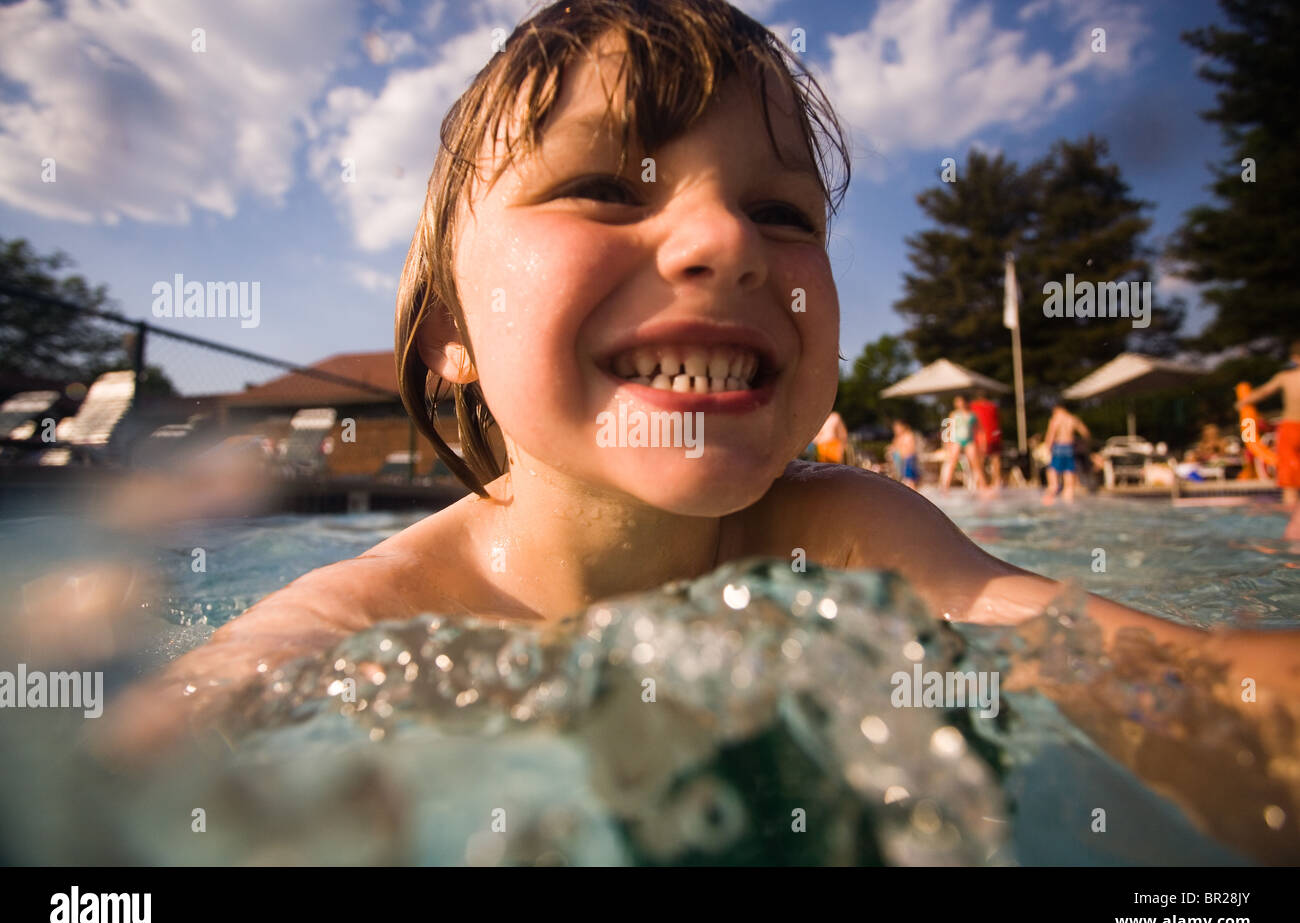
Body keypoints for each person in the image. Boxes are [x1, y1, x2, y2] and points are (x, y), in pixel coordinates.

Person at [95, 2, 1300, 837]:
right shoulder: (369, 612)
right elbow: (125, 790)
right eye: (607, 188)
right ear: (446, 338)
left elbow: (1149, 678)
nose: (726, 242)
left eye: (783, 213)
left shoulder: (851, 533)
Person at [1236, 339, 1300, 520]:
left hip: (1291, 427)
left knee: (1289, 482)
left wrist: (1242, 402)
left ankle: (1292, 522)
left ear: (1295, 358)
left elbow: (1263, 392)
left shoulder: (1286, 377)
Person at [1041, 401, 1090, 504]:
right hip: (1070, 448)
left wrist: (1047, 448)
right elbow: (1086, 433)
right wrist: (1081, 444)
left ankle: (1048, 502)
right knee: (1069, 479)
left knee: (1052, 476)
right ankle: (1068, 501)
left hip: (1058, 447)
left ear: (1057, 409)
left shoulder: (1055, 419)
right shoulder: (1072, 419)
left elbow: (1051, 435)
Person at [938, 394, 984, 492]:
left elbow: (979, 430)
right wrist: (947, 444)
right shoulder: (954, 414)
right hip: (957, 441)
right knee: (951, 463)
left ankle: (982, 486)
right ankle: (945, 487)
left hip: (969, 441)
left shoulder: (972, 415)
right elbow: (948, 430)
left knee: (976, 465)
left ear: (965, 402)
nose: (958, 403)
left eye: (959, 401)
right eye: (956, 401)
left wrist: (982, 444)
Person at [969, 390, 1002, 490]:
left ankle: (982, 482)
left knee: (980, 460)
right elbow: (998, 420)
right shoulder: (993, 406)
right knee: (995, 459)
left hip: (981, 436)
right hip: (994, 434)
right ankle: (996, 481)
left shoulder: (973, 406)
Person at [886, 419, 919, 490]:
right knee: (904, 479)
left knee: (909, 480)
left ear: (903, 427)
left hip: (908, 460)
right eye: (895, 429)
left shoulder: (908, 435)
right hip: (902, 461)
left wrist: (900, 451)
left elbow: (911, 449)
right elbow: (894, 447)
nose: (896, 430)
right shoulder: (897, 438)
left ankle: (913, 494)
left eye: (898, 428)